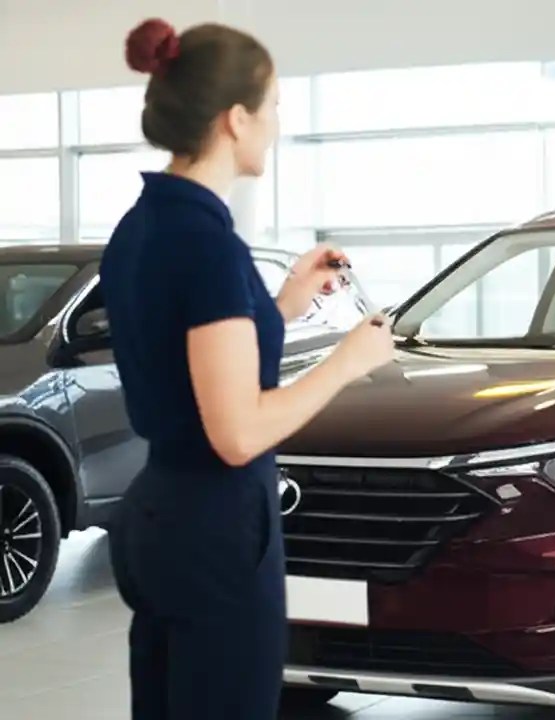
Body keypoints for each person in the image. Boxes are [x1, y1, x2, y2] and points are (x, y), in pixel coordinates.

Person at [101, 18, 395, 720]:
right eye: (273, 108)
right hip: (215, 529)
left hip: (160, 514)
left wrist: (285, 301)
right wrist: (346, 362)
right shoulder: (208, 246)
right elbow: (237, 432)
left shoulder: (143, 227)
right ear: (236, 119)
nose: (277, 125)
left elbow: (193, 353)